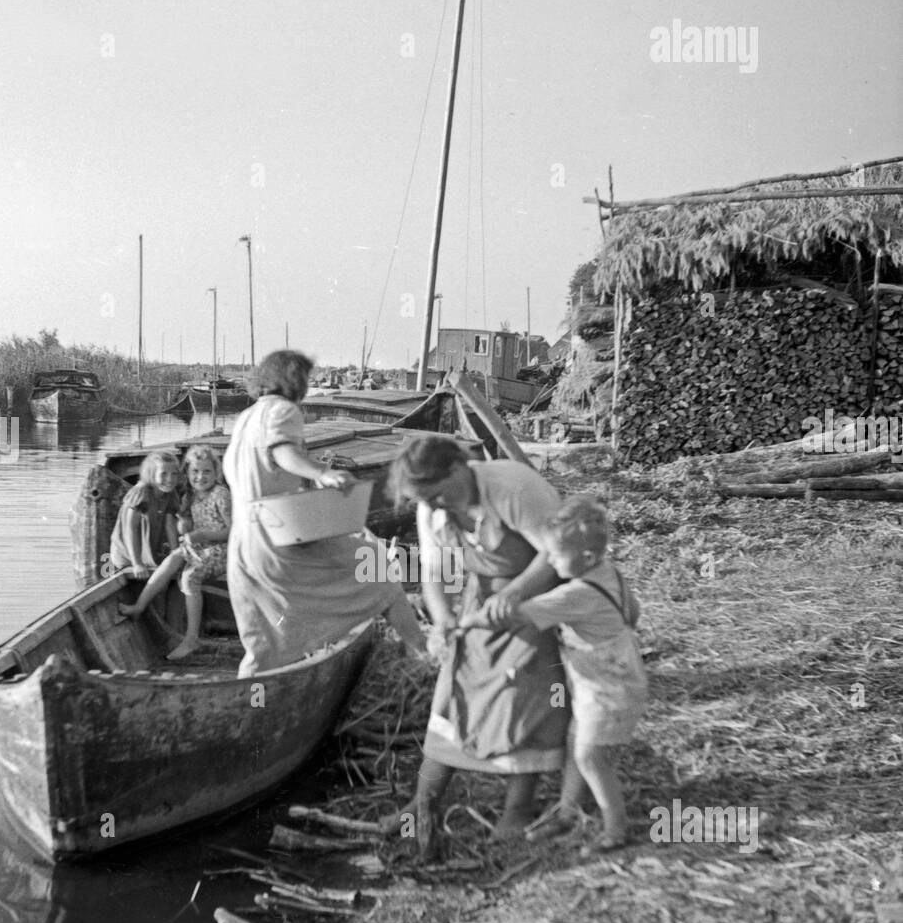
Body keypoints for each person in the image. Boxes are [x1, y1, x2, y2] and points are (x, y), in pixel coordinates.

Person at [384, 435, 570, 861]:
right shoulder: (432, 509)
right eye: (422, 500)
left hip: (535, 596)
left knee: (527, 697)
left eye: (435, 496)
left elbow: (559, 552)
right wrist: (443, 622)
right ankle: (422, 804)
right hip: (481, 598)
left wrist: (517, 593)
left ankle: (517, 810)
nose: (431, 507)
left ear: (456, 471)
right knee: (452, 693)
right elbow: (433, 575)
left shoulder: (515, 487)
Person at [222, 349, 426, 674]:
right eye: (305, 377)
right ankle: (423, 657)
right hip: (280, 537)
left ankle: (249, 702)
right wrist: (322, 474)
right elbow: (283, 452)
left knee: (262, 642)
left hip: (245, 544)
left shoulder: (248, 417)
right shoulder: (283, 410)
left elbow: (264, 469)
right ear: (292, 378)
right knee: (381, 574)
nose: (307, 384)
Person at [507, 496, 647, 850]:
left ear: (584, 558)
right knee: (576, 742)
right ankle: (568, 811)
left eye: (555, 556)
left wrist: (486, 611)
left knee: (589, 755)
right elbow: (633, 611)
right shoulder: (609, 572)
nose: (549, 563)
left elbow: (520, 615)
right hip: (609, 680)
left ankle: (615, 828)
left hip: (609, 690)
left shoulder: (577, 593)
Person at [118, 445, 231, 661]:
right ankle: (139, 606)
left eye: (206, 471)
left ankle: (191, 640)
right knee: (173, 558)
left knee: (190, 577)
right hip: (202, 548)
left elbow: (233, 530)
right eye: (195, 472)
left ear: (216, 472)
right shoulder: (190, 495)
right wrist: (185, 532)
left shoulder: (221, 494)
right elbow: (178, 519)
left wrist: (202, 535)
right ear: (187, 474)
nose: (200, 477)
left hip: (223, 550)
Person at [109, 449, 180, 578]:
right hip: (126, 554)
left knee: (163, 580)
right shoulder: (141, 493)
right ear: (151, 474)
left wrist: (176, 556)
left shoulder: (170, 494)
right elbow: (130, 529)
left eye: (174, 474)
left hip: (147, 553)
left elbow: (170, 526)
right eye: (163, 474)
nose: (170, 479)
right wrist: (137, 563)